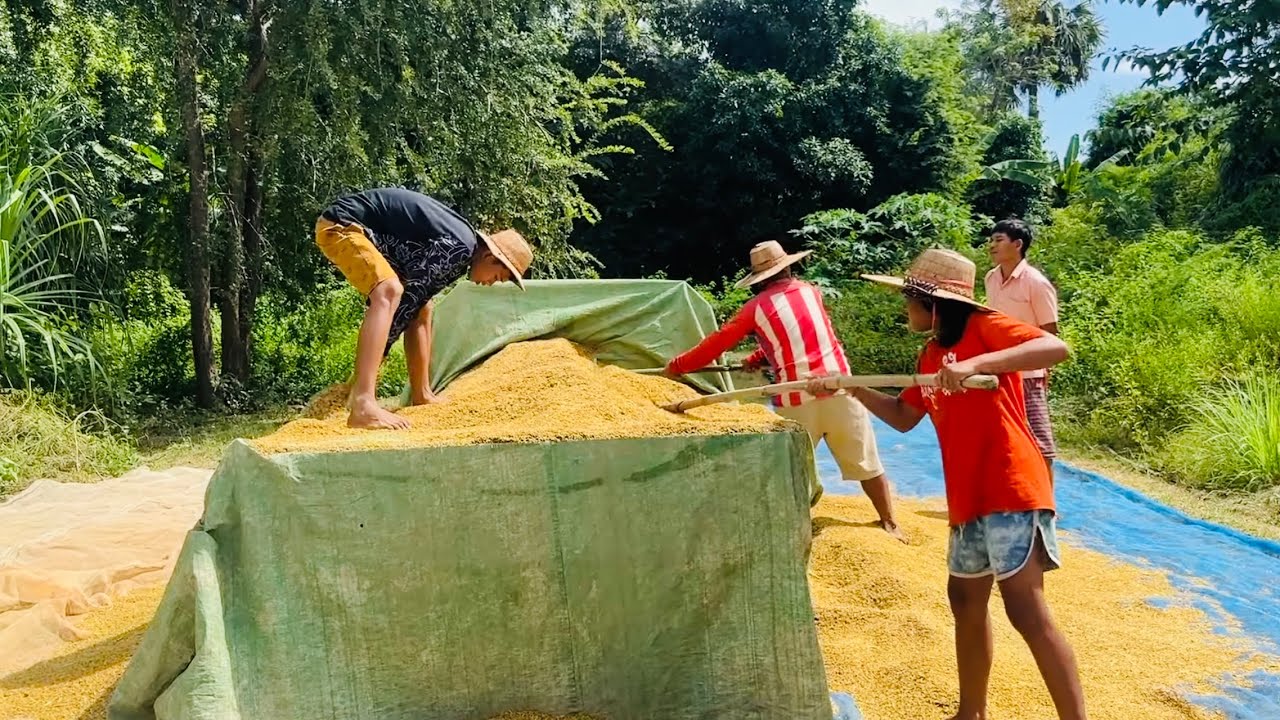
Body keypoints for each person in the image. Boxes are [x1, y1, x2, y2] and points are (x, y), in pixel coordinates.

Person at [811, 248, 1084, 720]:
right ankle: (970, 711)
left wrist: (978, 366)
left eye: (909, 301)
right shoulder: (932, 354)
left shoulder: (984, 330)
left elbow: (1053, 348)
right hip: (968, 497)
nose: (905, 310)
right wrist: (852, 387)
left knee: (1025, 611)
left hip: (1010, 487)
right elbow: (903, 416)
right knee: (964, 599)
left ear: (933, 304)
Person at [666, 240, 904, 541]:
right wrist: (755, 359)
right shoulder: (811, 292)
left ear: (758, 280)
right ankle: (890, 523)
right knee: (867, 463)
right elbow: (800, 333)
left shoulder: (755, 308)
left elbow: (717, 343)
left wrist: (677, 365)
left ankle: (784, 531)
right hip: (843, 390)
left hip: (797, 400)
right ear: (788, 267)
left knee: (789, 471)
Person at [315, 187, 532, 430]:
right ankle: (363, 403)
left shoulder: (462, 245)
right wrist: (378, 361)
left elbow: (416, 302)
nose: (493, 283)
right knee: (389, 291)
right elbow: (404, 303)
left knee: (423, 308)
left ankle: (422, 393)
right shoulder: (458, 249)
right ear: (491, 258)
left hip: (369, 233)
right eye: (499, 277)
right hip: (343, 226)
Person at [984, 218, 1059, 481]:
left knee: (1039, 440)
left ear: (1017, 245)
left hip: (1028, 373)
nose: (992, 246)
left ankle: (1046, 505)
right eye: (991, 240)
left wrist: (1043, 367)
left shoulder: (1036, 282)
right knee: (1002, 436)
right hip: (998, 370)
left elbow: (1050, 332)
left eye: (998, 240)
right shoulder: (991, 279)